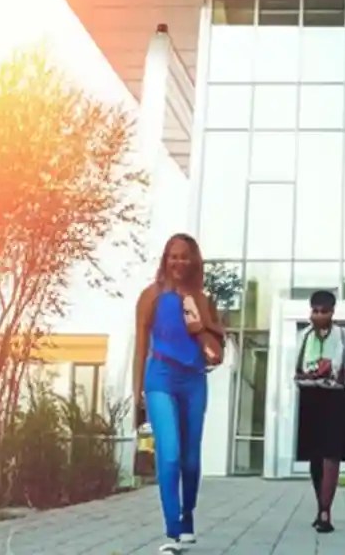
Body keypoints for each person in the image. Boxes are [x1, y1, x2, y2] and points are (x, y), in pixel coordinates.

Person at [132, 233, 225, 554]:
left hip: (194, 380)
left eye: (185, 256)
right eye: (173, 256)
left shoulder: (204, 299)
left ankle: (187, 517)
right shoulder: (150, 297)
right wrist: (137, 393)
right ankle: (173, 529)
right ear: (165, 259)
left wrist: (201, 327)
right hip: (160, 377)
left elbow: (217, 345)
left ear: (194, 261)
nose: (179, 262)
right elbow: (140, 348)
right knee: (169, 453)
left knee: (191, 459)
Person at [294, 289, 345, 534]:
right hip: (310, 395)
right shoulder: (304, 336)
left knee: (332, 453)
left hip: (336, 397)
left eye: (323, 311)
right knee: (315, 456)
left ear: (332, 312)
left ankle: (325, 511)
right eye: (315, 311)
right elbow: (296, 367)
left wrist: (335, 373)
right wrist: (307, 375)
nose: (318, 315)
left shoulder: (344, 336)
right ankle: (320, 503)